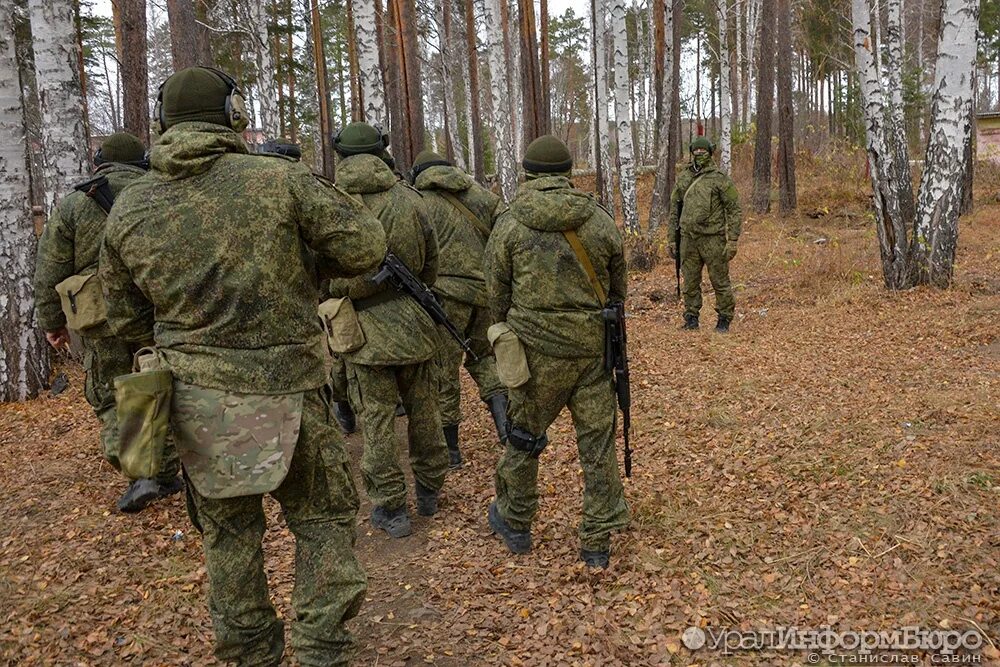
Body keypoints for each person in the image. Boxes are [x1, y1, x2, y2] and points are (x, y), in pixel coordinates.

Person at [99, 67, 386, 665]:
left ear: (163, 124)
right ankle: (320, 650)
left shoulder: (129, 208)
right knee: (325, 519)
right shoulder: (279, 181)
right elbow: (365, 246)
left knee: (229, 539)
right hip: (293, 390)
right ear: (233, 116)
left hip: (195, 397)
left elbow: (123, 322)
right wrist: (304, 261)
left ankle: (250, 652)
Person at [483, 135, 629, 569]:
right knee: (597, 443)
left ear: (527, 173)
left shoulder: (509, 224)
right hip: (591, 353)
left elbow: (496, 296)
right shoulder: (599, 221)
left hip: (534, 355)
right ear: (568, 173)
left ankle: (515, 522)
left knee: (524, 438)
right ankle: (596, 542)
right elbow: (618, 291)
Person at [33, 132, 184, 513]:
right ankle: (163, 473)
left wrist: (53, 322)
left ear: (100, 161)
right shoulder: (160, 192)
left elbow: (50, 267)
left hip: (100, 316)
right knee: (158, 385)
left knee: (109, 393)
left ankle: (141, 473)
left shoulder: (74, 205)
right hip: (157, 309)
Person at [329, 123, 449, 539]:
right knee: (425, 409)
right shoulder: (410, 200)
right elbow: (431, 264)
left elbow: (318, 272)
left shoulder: (331, 204)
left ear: (342, 155)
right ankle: (431, 489)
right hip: (415, 323)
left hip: (361, 331)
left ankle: (392, 508)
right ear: (381, 152)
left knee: (376, 419)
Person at [408, 150, 507, 467]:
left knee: (443, 372)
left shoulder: (418, 201)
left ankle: (451, 451)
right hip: (484, 295)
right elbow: (504, 238)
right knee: (484, 360)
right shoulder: (483, 196)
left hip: (445, 297)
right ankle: (505, 428)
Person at [667, 136, 742, 332]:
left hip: (713, 239)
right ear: (692, 153)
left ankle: (724, 319)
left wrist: (732, 239)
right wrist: (671, 240)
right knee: (690, 281)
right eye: (696, 151)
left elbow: (733, 208)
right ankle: (691, 318)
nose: (699, 154)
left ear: (710, 152)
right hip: (688, 239)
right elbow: (674, 209)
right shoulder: (684, 177)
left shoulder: (719, 179)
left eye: (703, 151)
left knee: (720, 281)